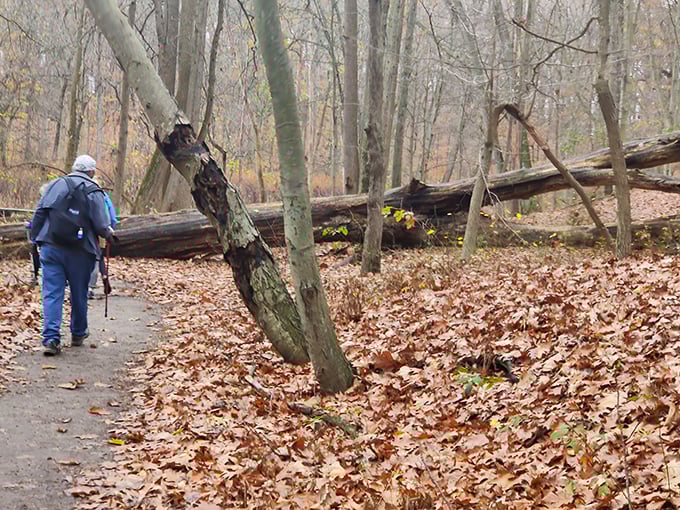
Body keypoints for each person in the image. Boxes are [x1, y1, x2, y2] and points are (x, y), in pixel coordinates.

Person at [30, 155, 115, 356]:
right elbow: (101, 224)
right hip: (81, 251)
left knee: (52, 293)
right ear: (92, 172)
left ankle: (51, 338)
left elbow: (40, 213)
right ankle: (78, 333)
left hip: (51, 247)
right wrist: (109, 234)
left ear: (74, 168)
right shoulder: (94, 190)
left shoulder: (55, 185)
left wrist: (36, 239)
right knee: (79, 293)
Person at [88, 185, 117, 299]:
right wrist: (109, 231)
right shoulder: (104, 197)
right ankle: (104, 277)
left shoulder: (82, 194)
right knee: (98, 257)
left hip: (87, 231)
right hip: (102, 230)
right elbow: (112, 217)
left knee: (92, 257)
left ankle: (89, 286)